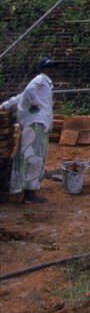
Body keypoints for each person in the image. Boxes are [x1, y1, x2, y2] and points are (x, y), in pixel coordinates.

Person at [1, 58, 55, 204]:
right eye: (48, 67)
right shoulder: (41, 79)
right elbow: (29, 92)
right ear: (43, 68)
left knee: (27, 156)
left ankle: (22, 190)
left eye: (51, 67)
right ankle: (30, 193)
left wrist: (4, 106)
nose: (50, 70)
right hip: (36, 125)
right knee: (34, 158)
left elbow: (22, 95)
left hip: (36, 125)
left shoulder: (44, 83)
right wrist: (34, 103)